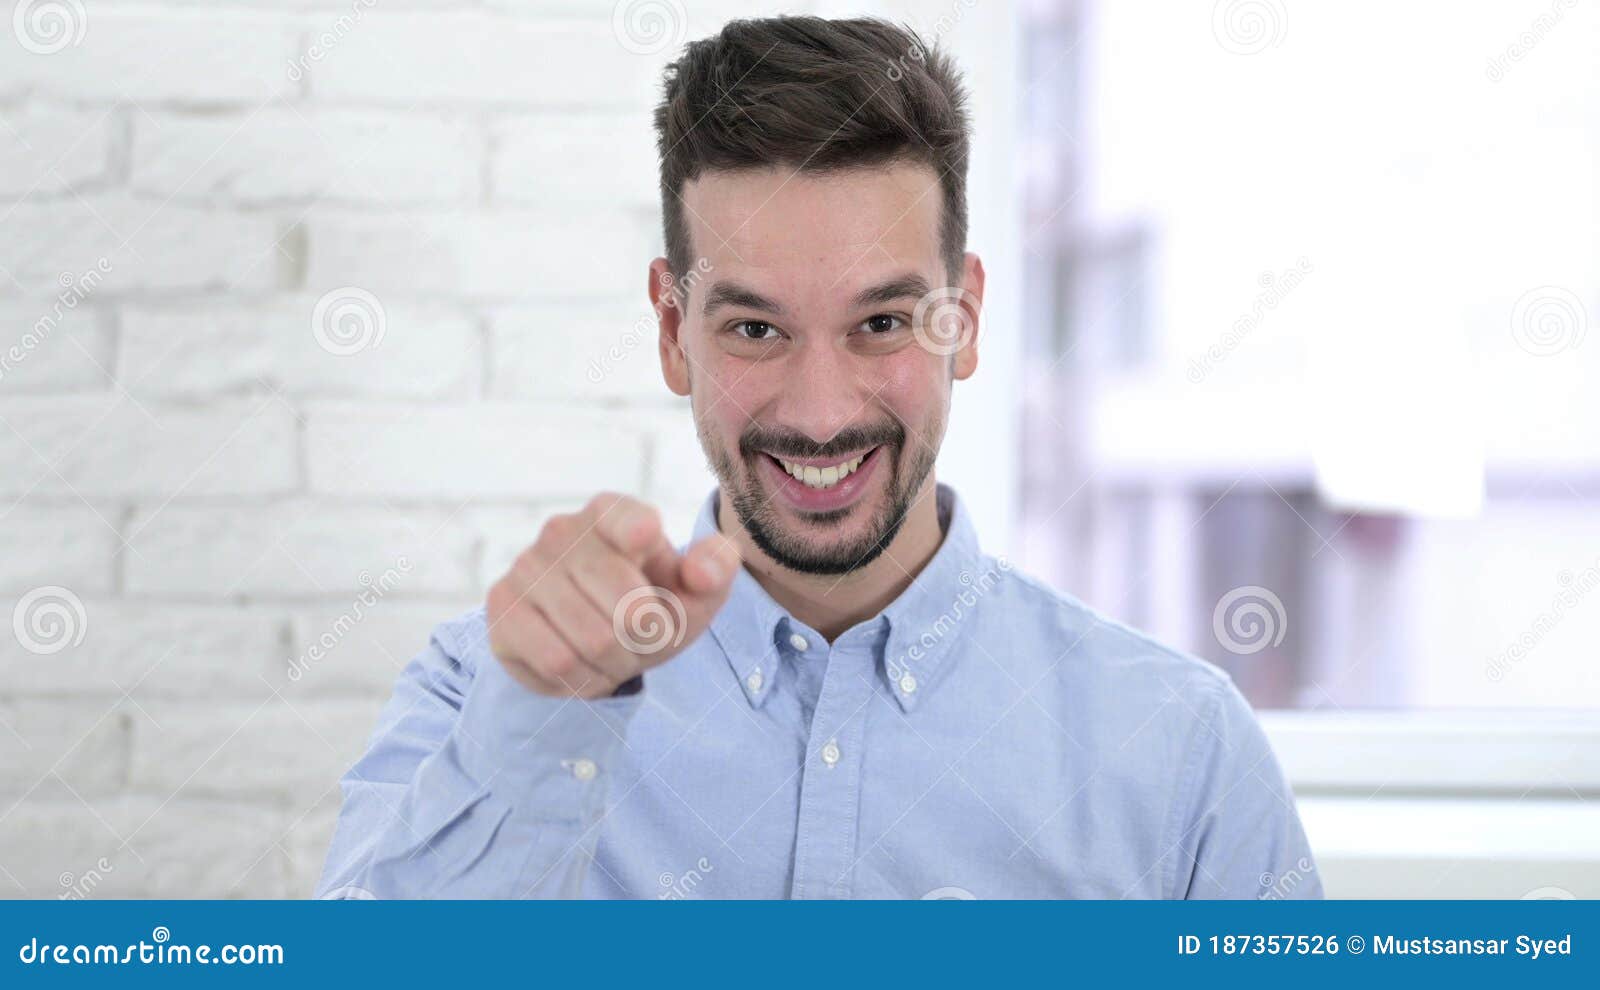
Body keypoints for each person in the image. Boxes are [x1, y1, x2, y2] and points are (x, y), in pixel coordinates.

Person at [317, 15, 1321, 900]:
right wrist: (544, 728)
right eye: (755, 331)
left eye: (880, 322)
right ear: (673, 331)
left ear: (961, 319)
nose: (820, 410)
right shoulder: (488, 692)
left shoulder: (1180, 746)